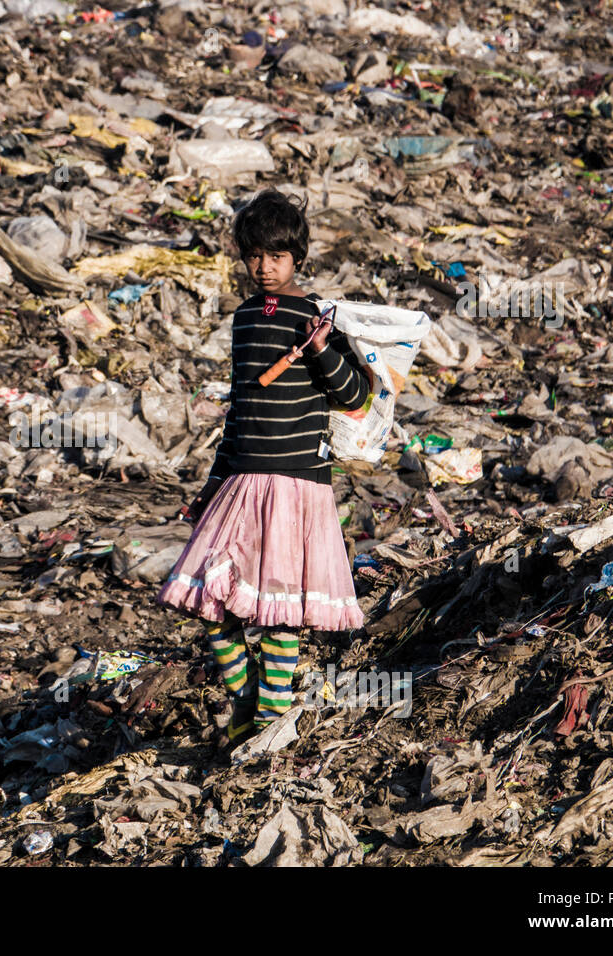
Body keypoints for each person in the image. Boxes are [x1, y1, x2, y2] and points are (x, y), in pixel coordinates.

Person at [157, 188, 370, 749]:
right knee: (206, 599)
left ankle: (270, 724)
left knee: (281, 613)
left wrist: (323, 348)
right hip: (244, 477)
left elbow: (352, 397)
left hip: (298, 481)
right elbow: (241, 406)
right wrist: (210, 485)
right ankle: (248, 701)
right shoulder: (245, 318)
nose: (264, 268)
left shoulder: (318, 317)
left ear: (298, 257)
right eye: (253, 256)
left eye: (275, 257)